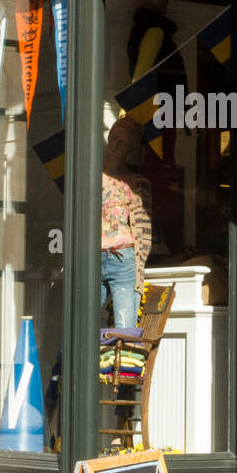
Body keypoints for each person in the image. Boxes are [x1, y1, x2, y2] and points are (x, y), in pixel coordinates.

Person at [101, 115, 154, 328]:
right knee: (78, 324)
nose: (114, 145)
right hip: (91, 257)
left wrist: (139, 263)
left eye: (122, 142)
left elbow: (144, 228)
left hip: (123, 258)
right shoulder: (90, 176)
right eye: (113, 138)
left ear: (130, 149)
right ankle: (66, 362)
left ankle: (122, 362)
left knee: (125, 327)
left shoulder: (137, 183)